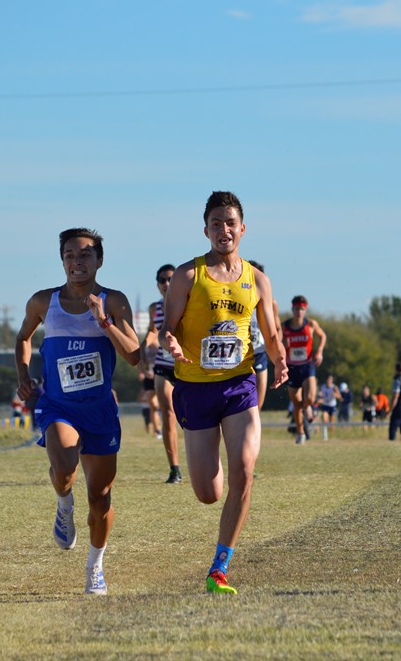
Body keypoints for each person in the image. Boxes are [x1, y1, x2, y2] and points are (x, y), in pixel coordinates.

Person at [159, 191, 287, 595]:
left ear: (242, 229)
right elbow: (167, 327)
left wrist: (281, 359)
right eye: (216, 223)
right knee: (208, 493)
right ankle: (206, 487)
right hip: (196, 388)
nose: (224, 230)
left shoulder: (257, 279)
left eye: (230, 223)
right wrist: (172, 344)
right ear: (206, 230)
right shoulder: (187, 276)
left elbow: (271, 330)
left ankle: (220, 567)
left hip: (239, 385)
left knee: (244, 471)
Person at [15, 228, 141, 595]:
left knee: (100, 498)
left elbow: (134, 355)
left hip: (99, 409)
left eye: (85, 255)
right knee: (66, 472)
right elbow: (23, 337)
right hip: (58, 406)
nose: (77, 261)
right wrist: (24, 377)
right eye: (70, 255)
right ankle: (63, 505)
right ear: (62, 261)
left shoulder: (113, 300)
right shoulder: (43, 301)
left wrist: (104, 322)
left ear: (99, 260)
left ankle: (95, 568)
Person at [143, 264, 182, 484]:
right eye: (161, 280)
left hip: (187, 366)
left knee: (196, 416)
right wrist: (144, 345)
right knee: (168, 414)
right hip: (163, 365)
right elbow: (152, 330)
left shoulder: (187, 302)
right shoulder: (154, 308)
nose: (166, 284)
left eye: (170, 279)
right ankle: (174, 468)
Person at [283, 295, 326, 444]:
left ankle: (308, 407)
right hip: (292, 367)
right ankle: (300, 433)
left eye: (302, 309)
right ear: (292, 309)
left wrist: (319, 351)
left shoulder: (311, 324)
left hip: (307, 365)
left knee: (310, 398)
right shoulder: (285, 326)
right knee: (296, 404)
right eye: (296, 309)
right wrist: (284, 344)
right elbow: (275, 343)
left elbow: (323, 336)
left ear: (305, 310)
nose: (299, 312)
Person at [247, 261, 282, 410]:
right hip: (241, 356)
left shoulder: (271, 303)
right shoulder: (237, 299)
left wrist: (277, 354)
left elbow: (277, 329)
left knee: (257, 405)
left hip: (260, 354)